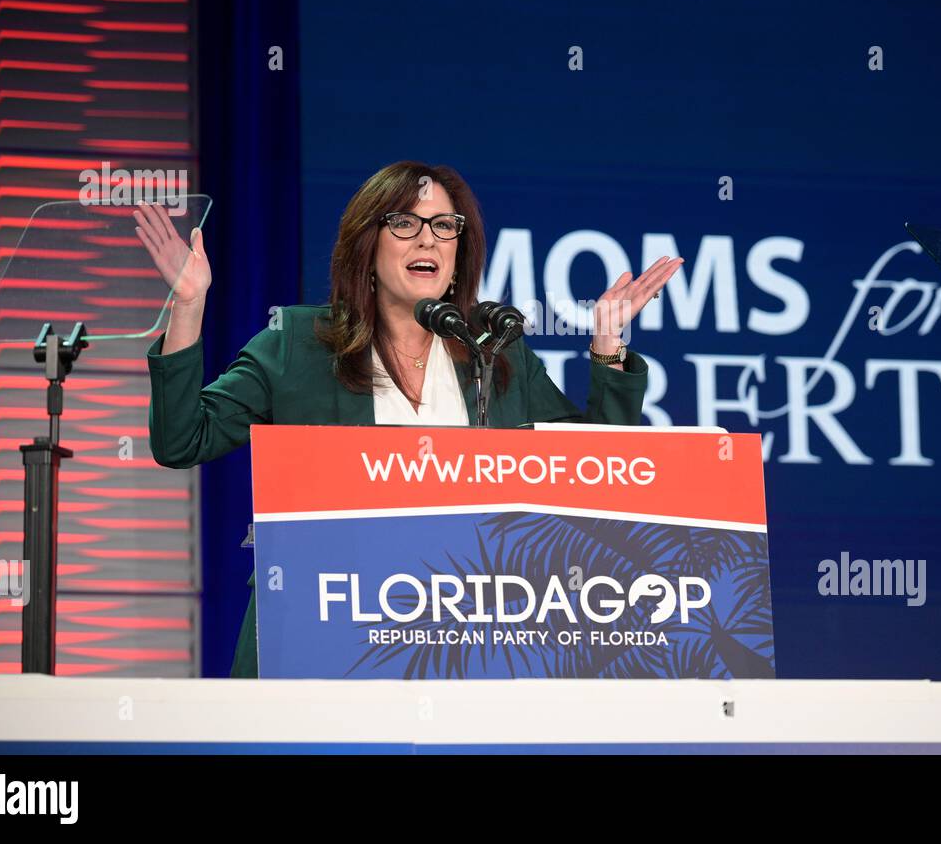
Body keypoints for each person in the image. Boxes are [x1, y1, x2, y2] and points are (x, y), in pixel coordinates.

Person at [136, 161, 684, 677]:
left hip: (467, 642)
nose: (428, 238)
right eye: (405, 223)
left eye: (444, 226)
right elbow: (183, 439)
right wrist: (189, 304)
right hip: (320, 636)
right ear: (366, 247)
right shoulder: (297, 344)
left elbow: (592, 477)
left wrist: (608, 345)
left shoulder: (496, 355)